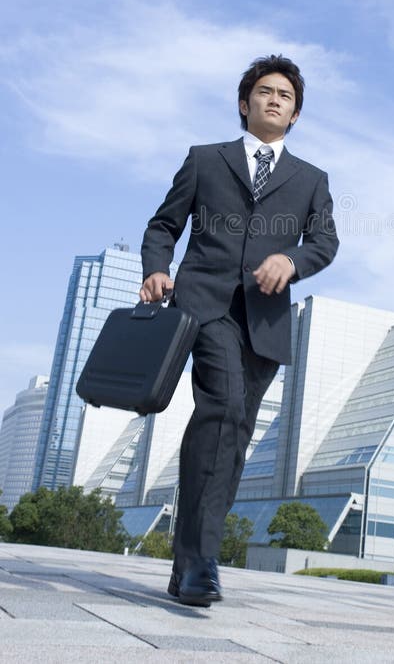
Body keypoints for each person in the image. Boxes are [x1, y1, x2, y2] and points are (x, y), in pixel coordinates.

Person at [139, 54, 339, 606]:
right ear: (244, 103)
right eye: (265, 91)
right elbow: (164, 224)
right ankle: (204, 561)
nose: (275, 99)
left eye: (286, 96)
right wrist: (157, 266)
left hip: (267, 323)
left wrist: (292, 261)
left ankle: (187, 563)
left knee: (233, 438)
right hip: (205, 308)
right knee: (222, 409)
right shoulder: (205, 161)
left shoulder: (312, 180)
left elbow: (325, 242)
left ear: (295, 115)